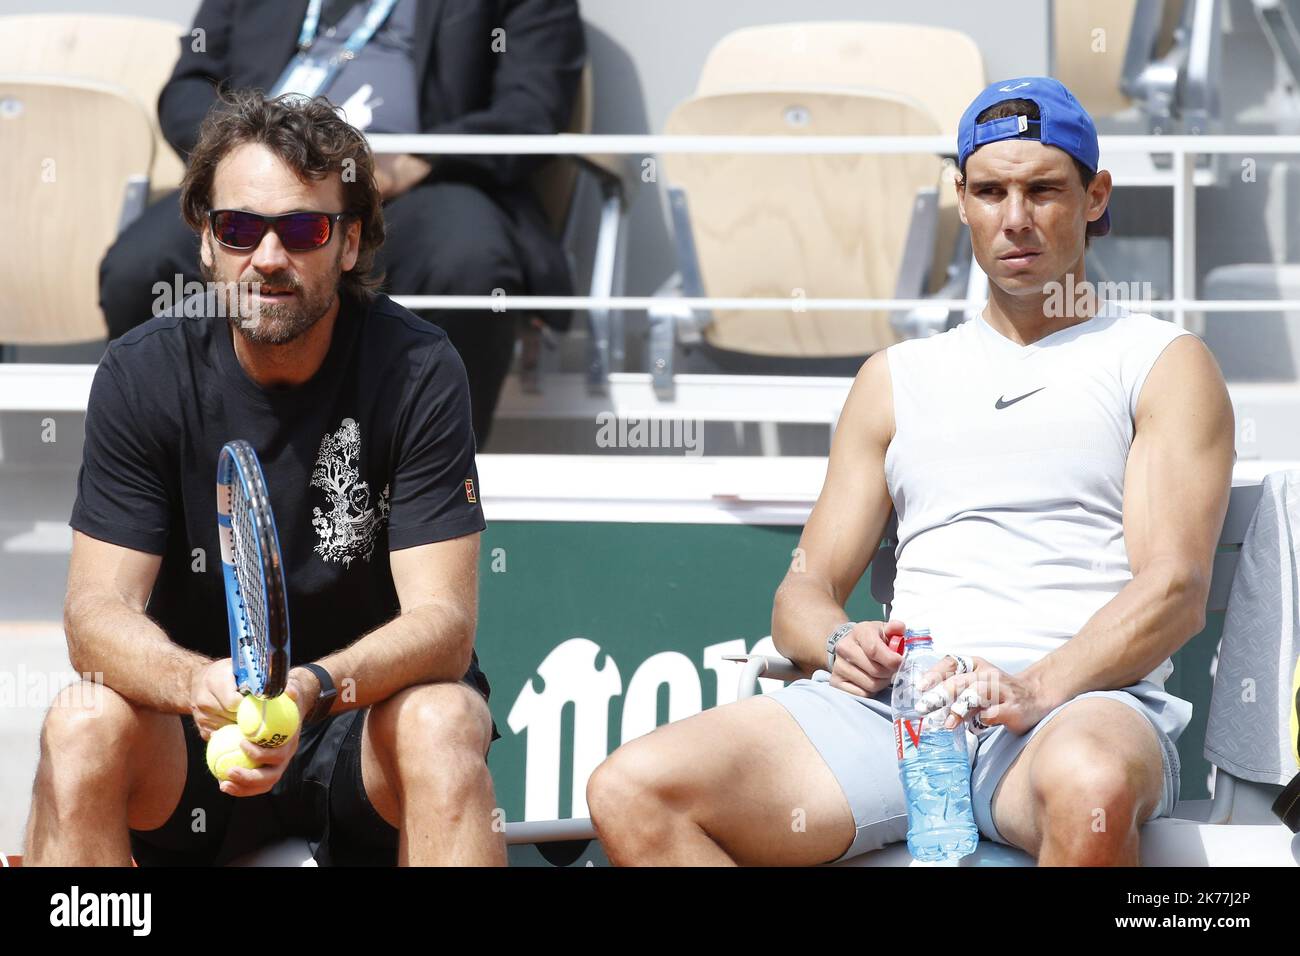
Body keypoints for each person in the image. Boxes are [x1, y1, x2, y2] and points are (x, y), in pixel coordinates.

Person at [585, 76, 1237, 866]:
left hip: (1075, 707)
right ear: (959, 199)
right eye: (991, 192)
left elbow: (1173, 590)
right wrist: (836, 644)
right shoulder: (895, 377)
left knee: (1091, 788)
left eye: (1044, 190)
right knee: (632, 788)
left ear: (1096, 196)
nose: (1016, 219)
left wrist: (1035, 688)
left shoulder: (1163, 361)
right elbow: (802, 590)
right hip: (896, 716)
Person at [25, 90, 503, 866]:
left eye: (304, 229)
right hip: (196, 734)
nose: (269, 257)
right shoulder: (142, 374)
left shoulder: (419, 368)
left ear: (350, 244)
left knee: (444, 722)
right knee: (81, 725)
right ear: (207, 242)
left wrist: (315, 687)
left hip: (356, 722)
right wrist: (195, 685)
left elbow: (445, 627)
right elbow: (94, 616)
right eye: (240, 228)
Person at [100, 0, 586, 447]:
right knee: (137, 268)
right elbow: (189, 86)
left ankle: (430, 487)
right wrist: (244, 152)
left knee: (470, 264)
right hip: (266, 172)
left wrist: (420, 155)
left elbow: (533, 106)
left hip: (421, 178)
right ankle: (182, 478)